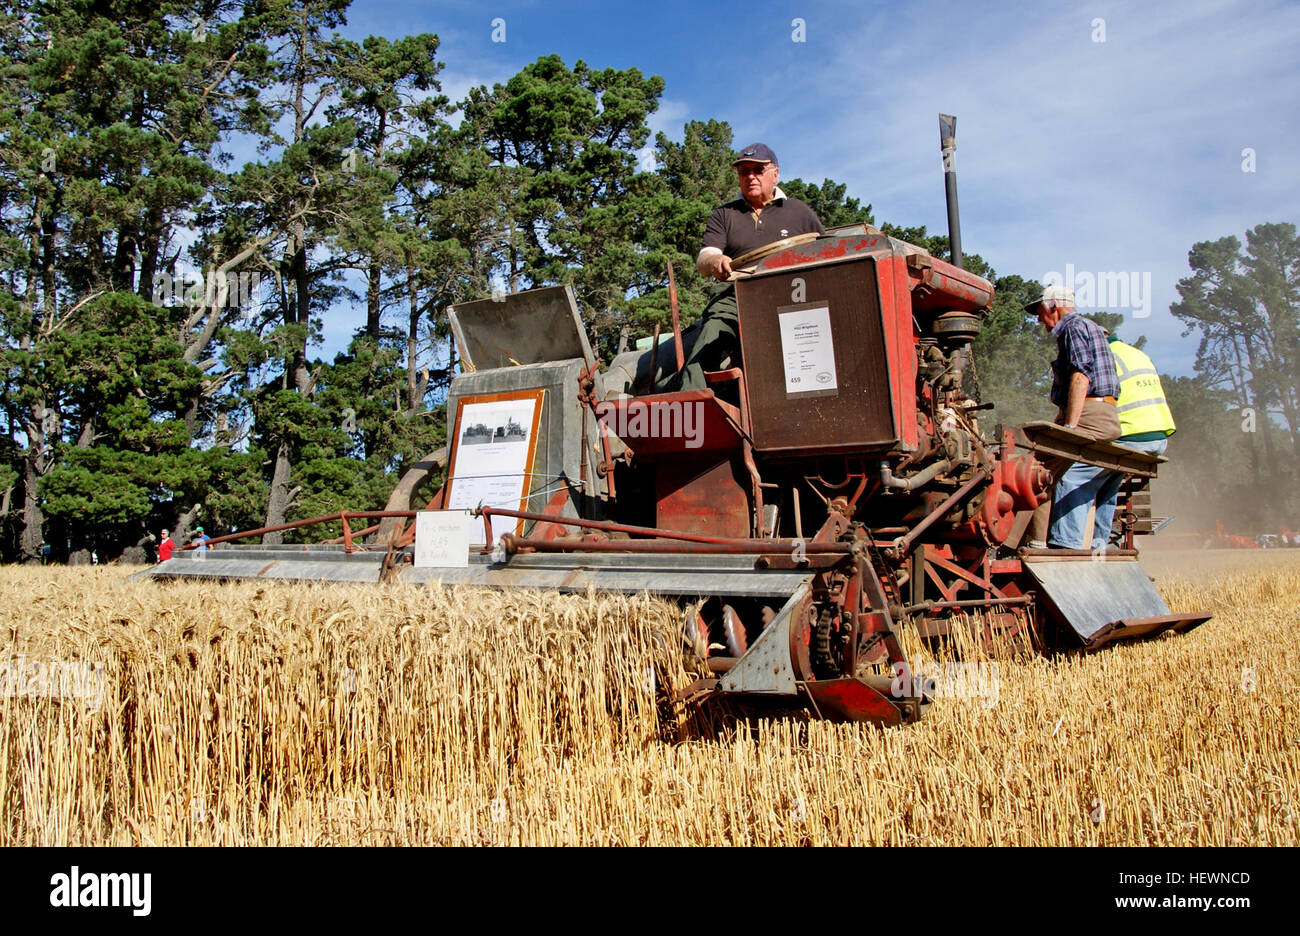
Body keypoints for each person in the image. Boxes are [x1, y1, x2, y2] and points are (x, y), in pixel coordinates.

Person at [659, 143, 825, 392]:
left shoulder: (798, 211)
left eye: (758, 170)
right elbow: (705, 258)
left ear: (775, 174)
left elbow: (826, 251)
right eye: (744, 171)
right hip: (735, 294)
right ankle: (694, 404)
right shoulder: (725, 214)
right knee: (711, 335)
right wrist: (716, 261)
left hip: (791, 293)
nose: (751, 177)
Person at [1024, 285, 1122, 549]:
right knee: (1043, 465)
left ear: (1054, 307)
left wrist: (1069, 429)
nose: (1038, 319)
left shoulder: (1073, 328)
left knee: (1035, 472)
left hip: (1089, 416)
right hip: (1104, 414)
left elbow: (1081, 375)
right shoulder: (1091, 327)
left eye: (1040, 312)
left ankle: (1036, 544)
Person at [1095, 335, 1177, 542]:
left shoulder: (1103, 357)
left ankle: (1075, 543)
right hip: (1159, 437)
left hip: (1131, 435)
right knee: (1109, 479)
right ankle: (1100, 543)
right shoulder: (1138, 354)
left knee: (1076, 476)